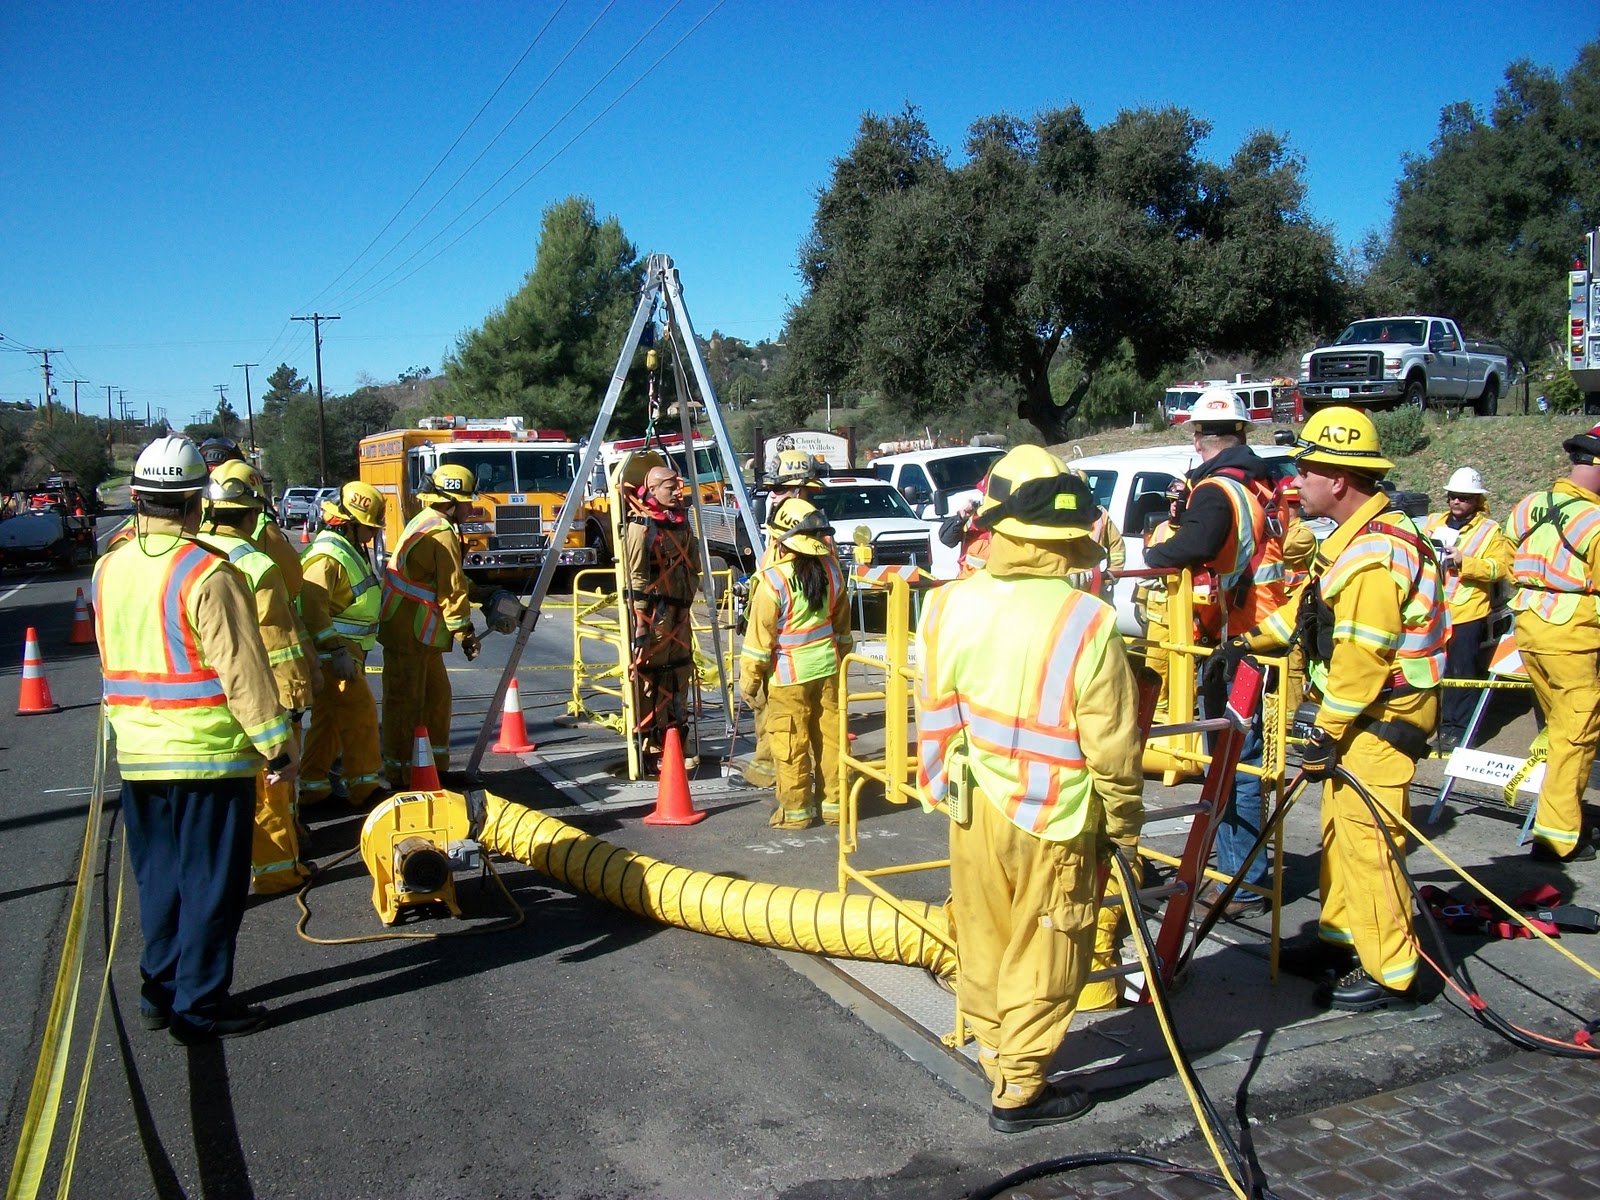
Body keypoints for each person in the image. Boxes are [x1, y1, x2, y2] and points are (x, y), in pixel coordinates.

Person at [915, 445, 1144, 1131]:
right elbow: (1113, 745)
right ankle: (1020, 1088)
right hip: (1057, 816)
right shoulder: (1087, 620)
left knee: (985, 936)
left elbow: (936, 707)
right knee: (1048, 947)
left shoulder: (945, 603)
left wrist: (945, 786)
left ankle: (997, 1054)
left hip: (972, 804)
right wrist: (1123, 826)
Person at [1232, 407, 1447, 1009]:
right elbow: (1307, 613)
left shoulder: (1375, 556)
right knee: (1340, 835)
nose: (1296, 481)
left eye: (1306, 471)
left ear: (1339, 479)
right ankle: (1341, 938)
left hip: (1380, 719)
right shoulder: (1349, 541)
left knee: (1369, 845)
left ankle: (1391, 971)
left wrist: (1324, 730)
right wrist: (1246, 643)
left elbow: (1362, 659)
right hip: (1358, 717)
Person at [93, 436, 294, 1041]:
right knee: (211, 886)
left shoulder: (108, 566)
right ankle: (200, 1005)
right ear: (195, 503)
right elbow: (243, 671)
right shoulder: (207, 571)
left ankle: (159, 991)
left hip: (138, 753)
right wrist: (278, 745)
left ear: (136, 497)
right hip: (208, 757)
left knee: (159, 880)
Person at [1142, 388, 1286, 920]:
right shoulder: (1262, 485)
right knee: (1240, 763)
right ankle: (1237, 871)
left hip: (1239, 641)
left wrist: (1155, 552)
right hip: (1261, 633)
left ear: (1199, 437)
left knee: (1234, 764)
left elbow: (1193, 546)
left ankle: (1239, 883)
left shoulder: (1217, 489)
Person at [195, 460, 316, 895]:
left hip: (204, 700)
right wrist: (297, 696)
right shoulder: (258, 564)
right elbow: (278, 641)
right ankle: (277, 872)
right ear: (252, 515)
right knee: (271, 786)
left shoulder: (192, 556)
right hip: (260, 694)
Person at [1503, 424, 1600, 862]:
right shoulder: (1594, 521)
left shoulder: (1528, 506)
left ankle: (1558, 818)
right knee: (1574, 735)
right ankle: (1558, 837)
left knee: (1560, 729)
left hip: (1529, 629)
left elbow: (1507, 563)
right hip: (1573, 636)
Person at [739, 499, 852, 828]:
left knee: (790, 743)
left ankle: (796, 813)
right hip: (829, 671)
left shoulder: (773, 581)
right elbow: (843, 630)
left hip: (788, 679)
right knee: (832, 741)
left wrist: (750, 682)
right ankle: (836, 807)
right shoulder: (833, 571)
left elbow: (759, 642)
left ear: (780, 539)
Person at [378, 463, 489, 784]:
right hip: (409, 632)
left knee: (436, 699)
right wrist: (465, 633)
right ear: (450, 503)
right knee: (407, 704)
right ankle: (401, 775)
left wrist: (480, 591)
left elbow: (447, 579)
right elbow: (450, 589)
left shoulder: (427, 521)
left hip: (416, 633)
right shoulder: (441, 534)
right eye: (466, 502)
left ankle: (435, 769)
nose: (470, 508)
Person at [298, 482, 387, 808]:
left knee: (329, 722)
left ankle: (313, 788)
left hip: (341, 652)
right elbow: (311, 607)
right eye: (369, 527)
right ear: (348, 523)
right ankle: (365, 787)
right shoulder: (327, 557)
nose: (372, 534)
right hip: (334, 654)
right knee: (361, 716)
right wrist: (335, 650)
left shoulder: (345, 549)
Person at [742, 451, 826, 789]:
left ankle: (787, 785)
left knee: (790, 727)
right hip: (778, 649)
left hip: (791, 657)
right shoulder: (782, 531)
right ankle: (766, 771)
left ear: (800, 490)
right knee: (768, 713)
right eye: (771, 490)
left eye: (779, 489)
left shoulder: (812, 538)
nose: (772, 496)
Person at [1421, 468, 1513, 750]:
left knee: (1461, 674)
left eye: (1464, 497)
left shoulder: (1490, 530)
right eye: (1452, 496)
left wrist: (1465, 562)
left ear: (1476, 500)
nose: (1456, 502)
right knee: (1429, 671)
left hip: (1467, 612)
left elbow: (1500, 568)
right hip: (1432, 610)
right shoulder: (1434, 522)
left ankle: (1457, 731)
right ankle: (1429, 723)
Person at [624, 464, 702, 775]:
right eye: (670, 488)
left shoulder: (681, 523)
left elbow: (693, 567)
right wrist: (641, 621)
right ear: (653, 489)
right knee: (650, 675)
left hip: (678, 613)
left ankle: (676, 735)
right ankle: (651, 743)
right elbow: (636, 577)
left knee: (679, 670)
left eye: (677, 486)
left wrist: (685, 604)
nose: (677, 493)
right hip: (654, 614)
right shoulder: (641, 527)